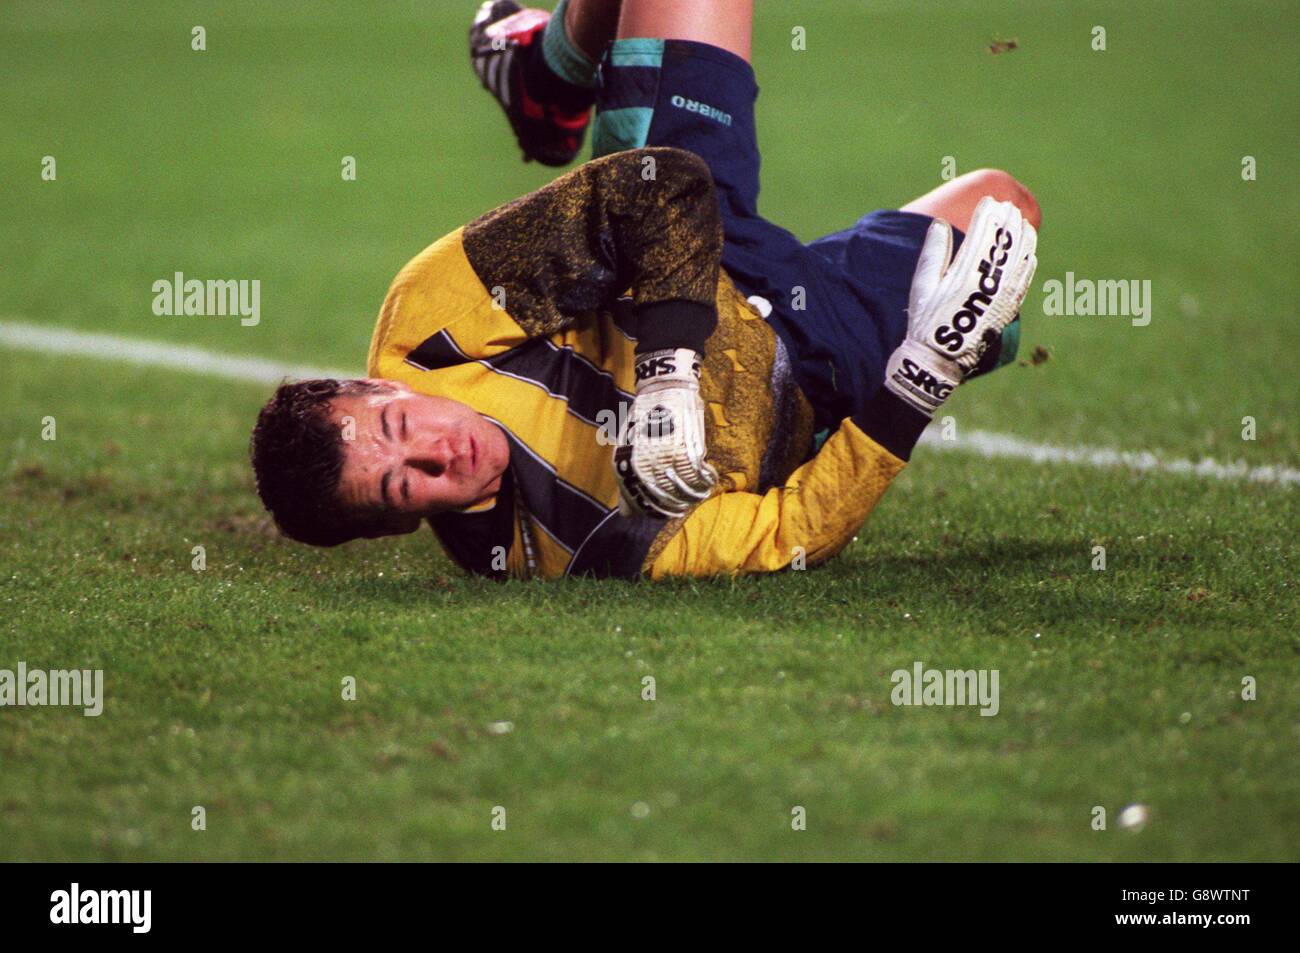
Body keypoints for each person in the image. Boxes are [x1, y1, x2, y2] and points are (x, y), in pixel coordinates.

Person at [249, 0, 1040, 579]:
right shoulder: (565, 547)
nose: (436, 452)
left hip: (691, 228)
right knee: (1006, 207)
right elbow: (788, 533)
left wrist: (667, 374)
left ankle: (547, 73)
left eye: (397, 421)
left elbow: (649, 190)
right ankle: (551, 68)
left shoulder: (426, 326)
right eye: (404, 484)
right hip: (810, 366)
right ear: (396, 526)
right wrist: (914, 385)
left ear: (377, 381)